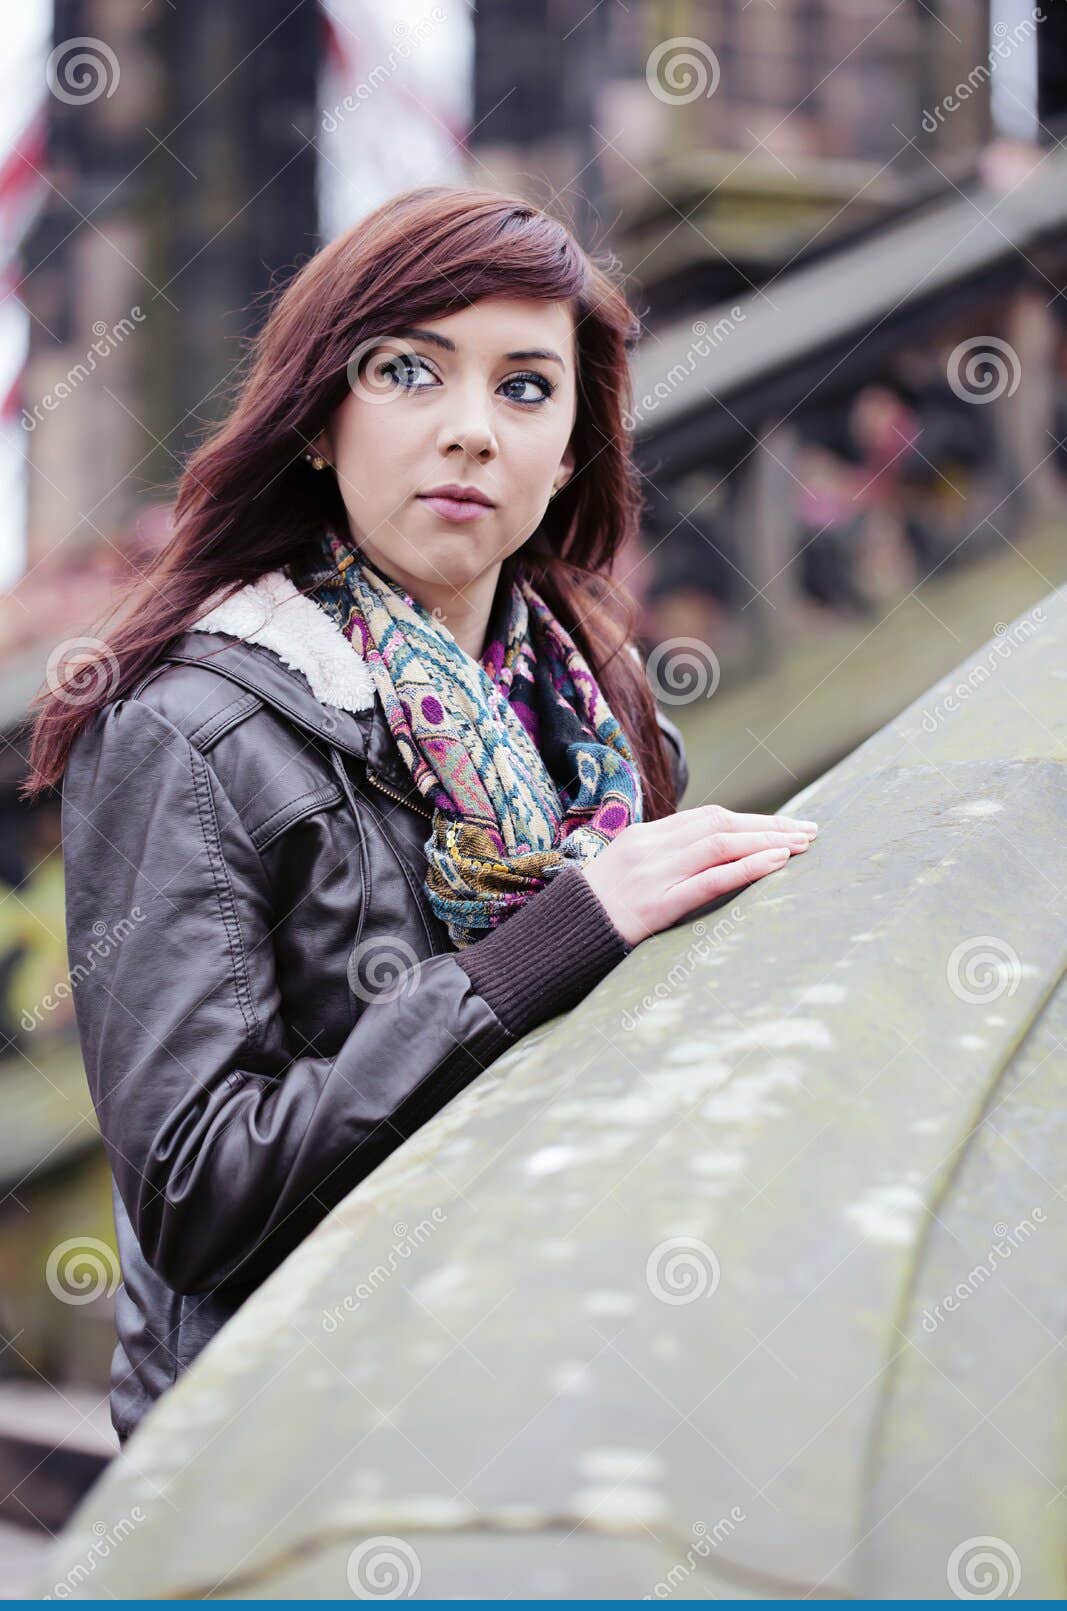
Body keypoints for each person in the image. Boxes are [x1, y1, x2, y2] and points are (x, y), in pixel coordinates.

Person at [22, 186, 819, 1447]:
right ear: (319, 423)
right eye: (408, 372)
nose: (469, 432)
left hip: (555, 1391)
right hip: (289, 1452)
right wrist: (549, 944)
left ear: (568, 451)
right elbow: (197, 1193)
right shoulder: (191, 732)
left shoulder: (603, 719)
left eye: (522, 387)